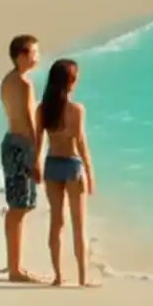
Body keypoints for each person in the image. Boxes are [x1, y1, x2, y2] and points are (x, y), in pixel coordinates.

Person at [34, 58, 97, 287]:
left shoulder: (43, 109)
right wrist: (90, 173)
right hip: (72, 166)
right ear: (70, 80)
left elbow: (38, 140)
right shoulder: (76, 110)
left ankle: (58, 276)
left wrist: (36, 165)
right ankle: (83, 277)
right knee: (79, 225)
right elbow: (81, 144)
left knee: (56, 222)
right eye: (76, 76)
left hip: (52, 164)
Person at [0, 34, 43, 283]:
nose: (37, 57)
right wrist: (36, 157)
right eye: (34, 53)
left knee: (16, 206)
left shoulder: (7, 80)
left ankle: (12, 263)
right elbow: (29, 121)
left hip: (9, 141)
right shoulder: (24, 84)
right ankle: (15, 269)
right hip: (21, 144)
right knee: (20, 207)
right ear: (21, 55)